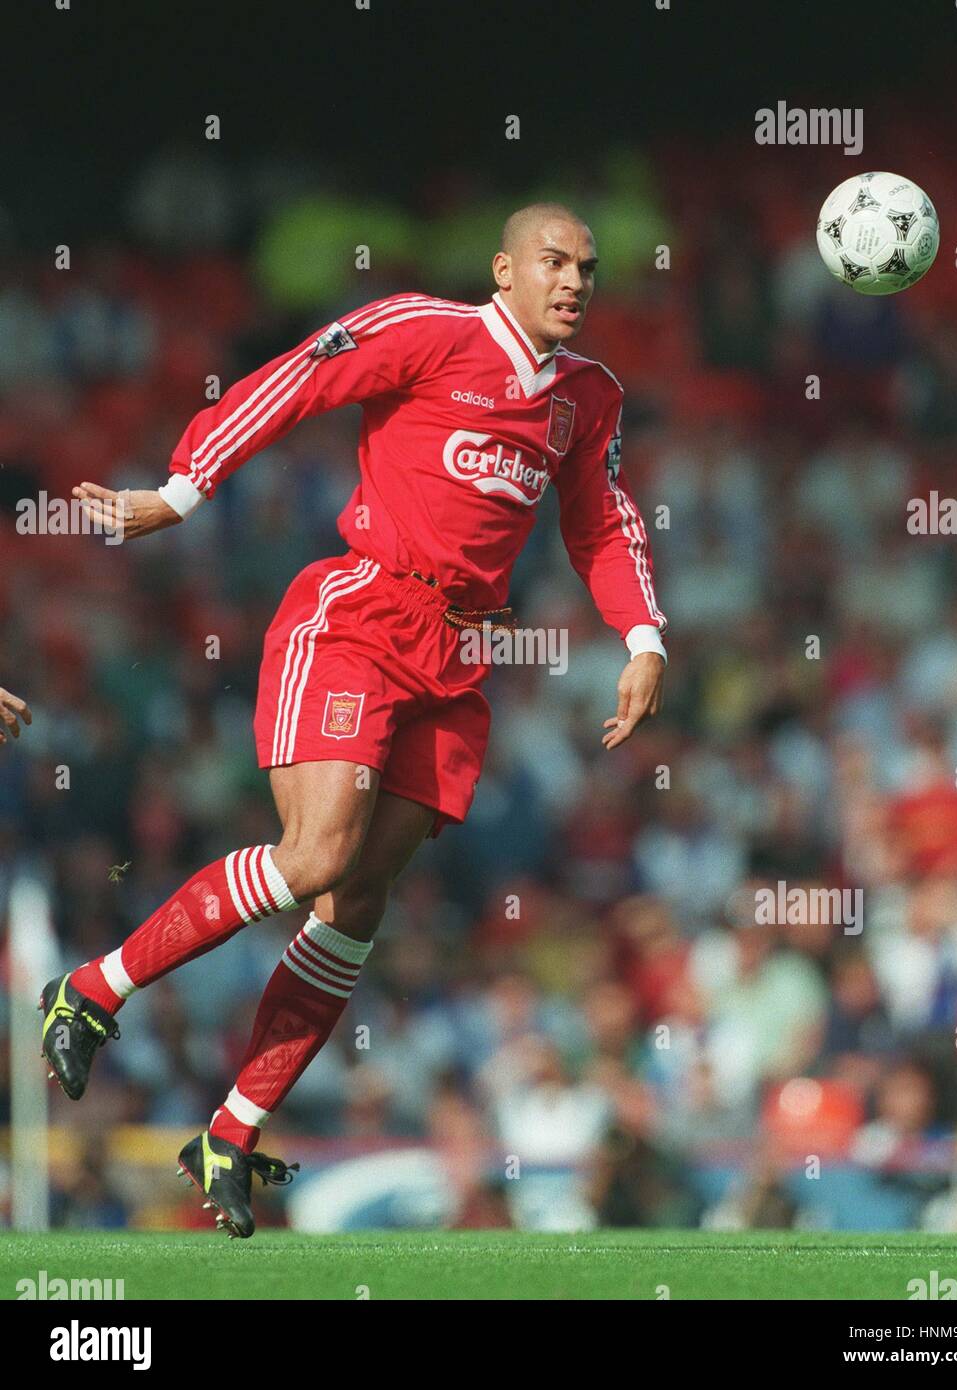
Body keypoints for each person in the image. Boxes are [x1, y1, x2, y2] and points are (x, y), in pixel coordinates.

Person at [41, 203, 667, 1237]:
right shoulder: (423, 327)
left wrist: (640, 636)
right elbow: (296, 380)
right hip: (360, 615)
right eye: (551, 261)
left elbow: (600, 516)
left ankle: (233, 1128)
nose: (572, 282)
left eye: (587, 268)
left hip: (461, 655)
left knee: (359, 899)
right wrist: (181, 490)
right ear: (504, 267)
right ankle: (94, 988)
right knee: (316, 853)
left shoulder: (585, 398)